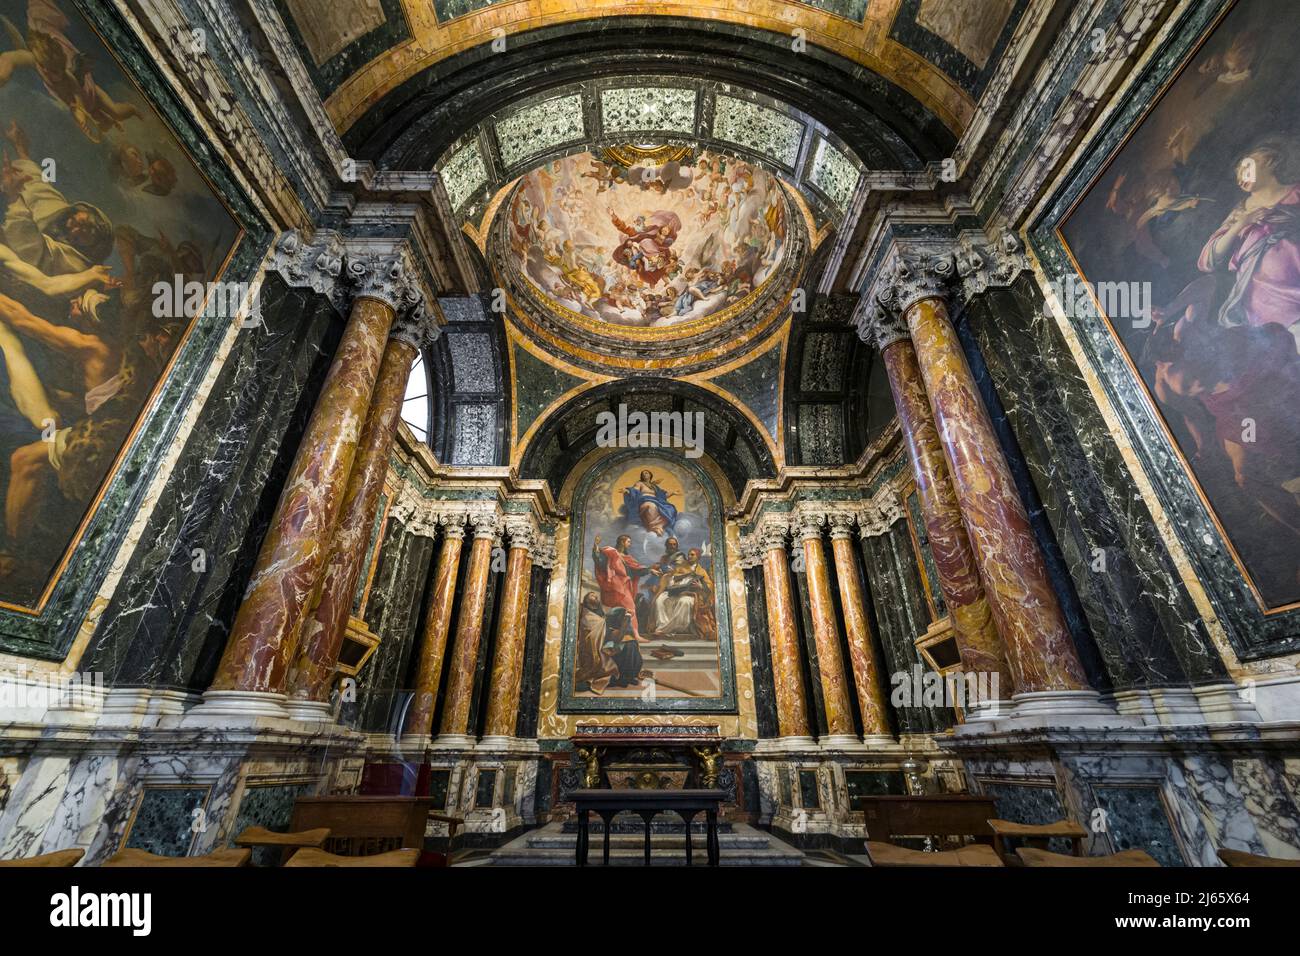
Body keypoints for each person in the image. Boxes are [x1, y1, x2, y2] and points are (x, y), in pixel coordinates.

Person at [591, 533, 650, 639]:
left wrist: (650, 570)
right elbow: (599, 561)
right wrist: (596, 547)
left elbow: (636, 569)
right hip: (615, 586)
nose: (630, 544)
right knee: (628, 608)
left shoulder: (627, 557)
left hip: (624, 586)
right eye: (628, 542)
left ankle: (630, 634)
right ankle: (632, 635)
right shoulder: (611, 553)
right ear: (622, 542)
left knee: (628, 609)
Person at [621, 469, 677, 536]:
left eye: (646, 473)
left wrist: (673, 493)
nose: (644, 474)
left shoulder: (654, 486)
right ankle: (653, 527)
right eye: (643, 474)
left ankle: (659, 526)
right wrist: (628, 491)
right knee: (650, 506)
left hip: (656, 501)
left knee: (671, 508)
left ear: (650, 475)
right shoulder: (639, 483)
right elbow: (634, 491)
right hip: (644, 501)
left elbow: (662, 495)